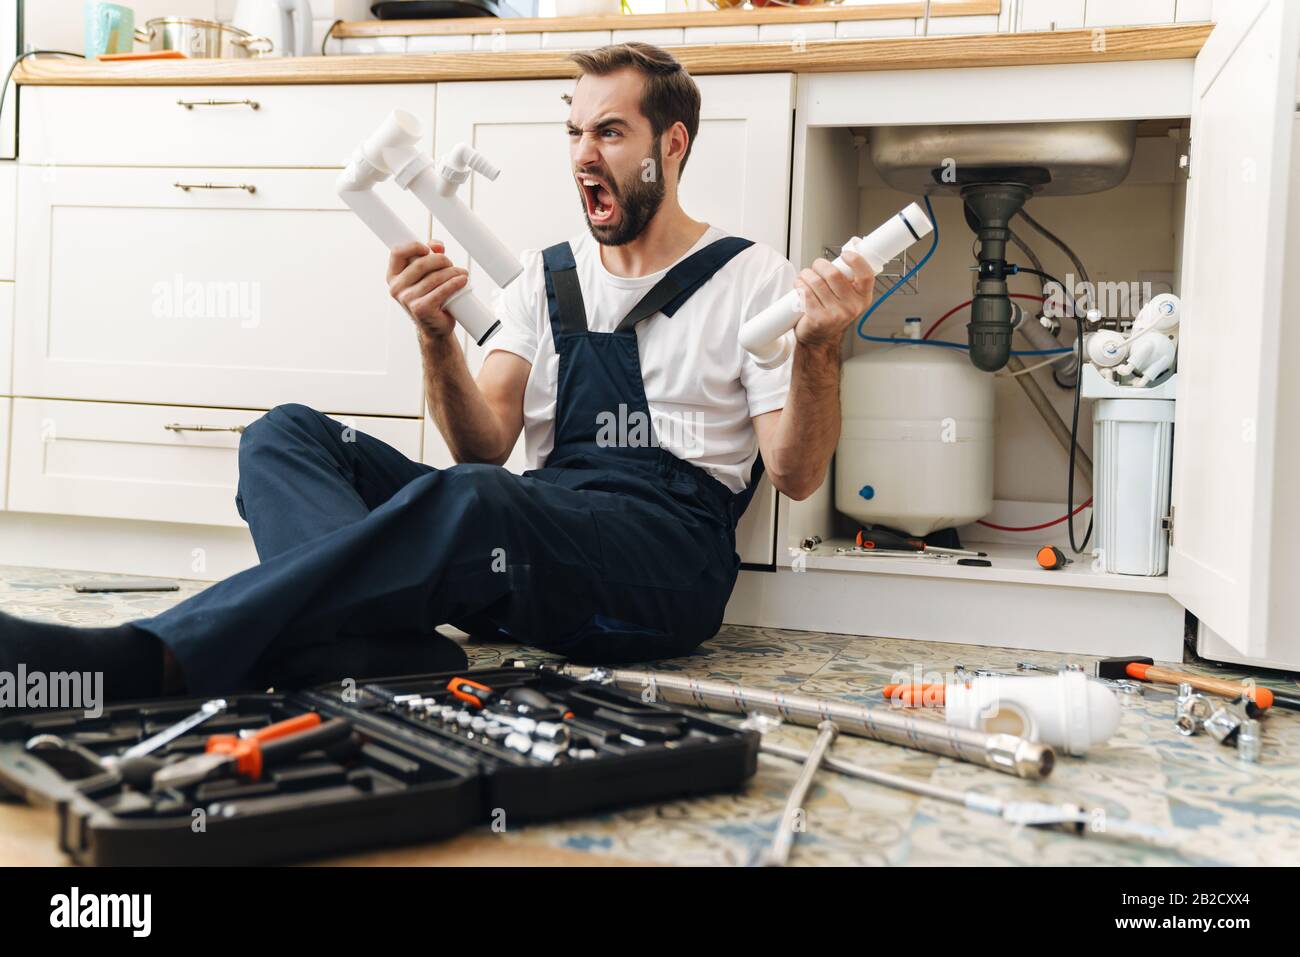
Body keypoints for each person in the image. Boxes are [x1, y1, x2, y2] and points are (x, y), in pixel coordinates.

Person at [0, 42, 875, 701]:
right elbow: (484, 443)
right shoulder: (549, 276)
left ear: (671, 146)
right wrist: (433, 337)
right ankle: (369, 648)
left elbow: (796, 475)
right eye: (574, 131)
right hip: (530, 538)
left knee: (480, 503)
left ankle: (147, 658)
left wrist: (819, 348)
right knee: (285, 435)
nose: (583, 154)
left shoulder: (749, 277)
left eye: (610, 131)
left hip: (662, 565)